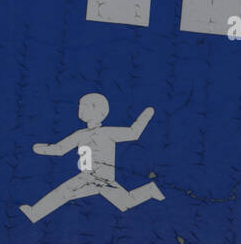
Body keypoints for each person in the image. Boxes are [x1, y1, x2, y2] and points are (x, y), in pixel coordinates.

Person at [20, 93, 163, 223]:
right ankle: (150, 190)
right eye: (80, 106)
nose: (80, 109)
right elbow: (60, 149)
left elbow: (133, 133)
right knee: (124, 201)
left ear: (98, 110)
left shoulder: (107, 132)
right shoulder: (80, 134)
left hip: (100, 178)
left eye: (84, 106)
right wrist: (42, 148)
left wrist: (146, 115)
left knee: (63, 192)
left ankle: (34, 213)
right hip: (89, 176)